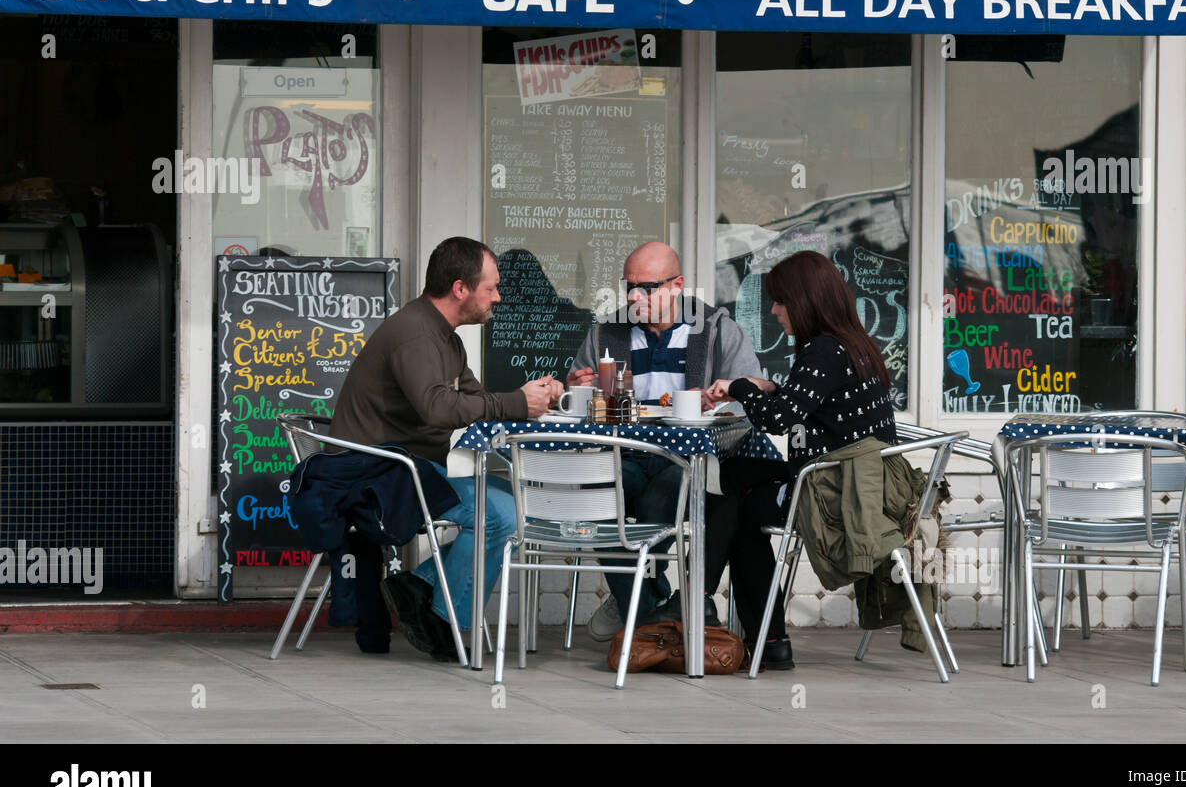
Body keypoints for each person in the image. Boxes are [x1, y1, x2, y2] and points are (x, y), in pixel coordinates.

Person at [330, 237, 563, 658]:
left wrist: (536, 398)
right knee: (500, 515)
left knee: (515, 502)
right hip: (376, 475)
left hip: (409, 468)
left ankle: (420, 589)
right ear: (460, 289)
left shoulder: (444, 336)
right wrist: (515, 403)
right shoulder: (417, 336)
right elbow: (438, 409)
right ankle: (444, 620)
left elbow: (478, 401)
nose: (498, 296)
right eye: (490, 288)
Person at [705, 251, 896, 670]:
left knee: (730, 505)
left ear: (806, 301)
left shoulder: (824, 351)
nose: (774, 310)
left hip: (831, 493)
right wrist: (768, 385)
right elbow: (801, 402)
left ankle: (706, 608)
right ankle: (766, 639)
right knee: (729, 478)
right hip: (852, 481)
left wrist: (739, 385)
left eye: (781, 301)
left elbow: (778, 419)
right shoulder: (854, 344)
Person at [567, 240, 761, 638]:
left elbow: (748, 404)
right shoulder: (607, 331)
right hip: (626, 453)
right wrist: (578, 386)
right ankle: (644, 614)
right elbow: (580, 396)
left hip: (689, 461)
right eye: (629, 287)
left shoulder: (717, 330)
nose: (635, 297)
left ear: (677, 286)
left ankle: (634, 608)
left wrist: (721, 399)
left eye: (648, 287)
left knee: (659, 499)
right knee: (603, 492)